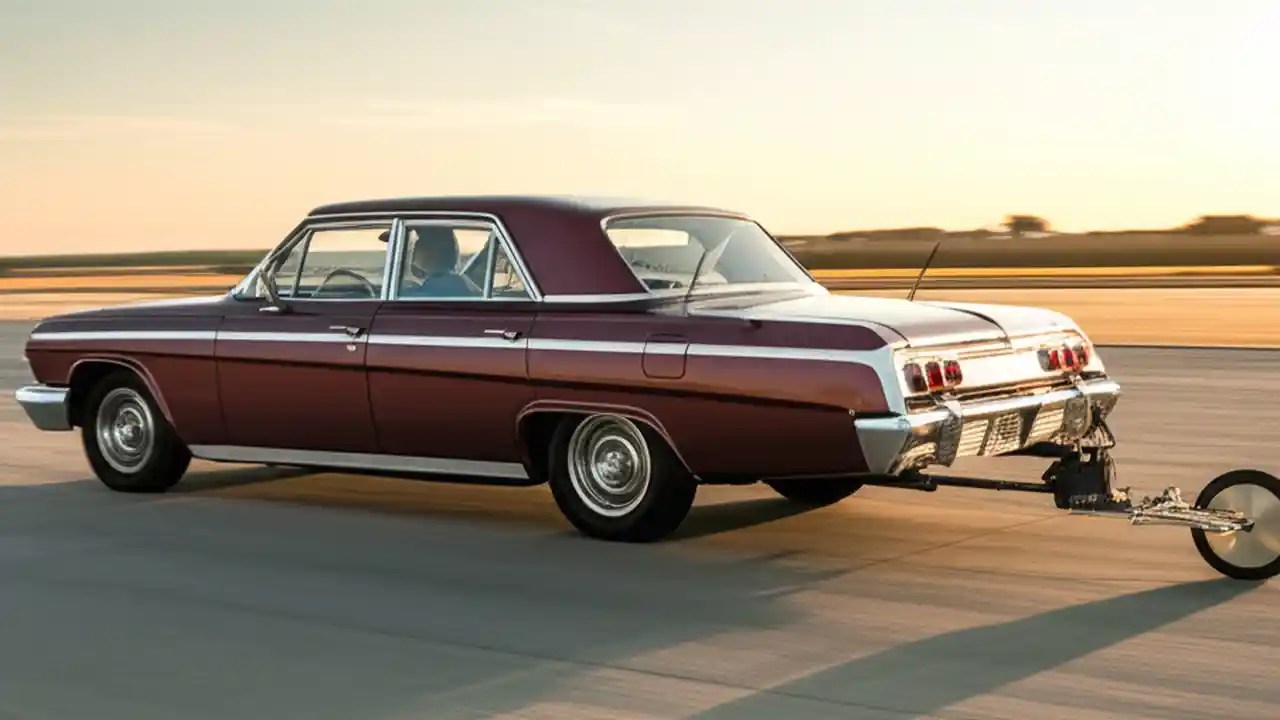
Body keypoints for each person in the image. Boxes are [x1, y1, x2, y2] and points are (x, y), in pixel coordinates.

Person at [400, 226, 480, 298]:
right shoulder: (465, 287)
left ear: (432, 253)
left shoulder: (420, 294)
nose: (413, 251)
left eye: (418, 244)